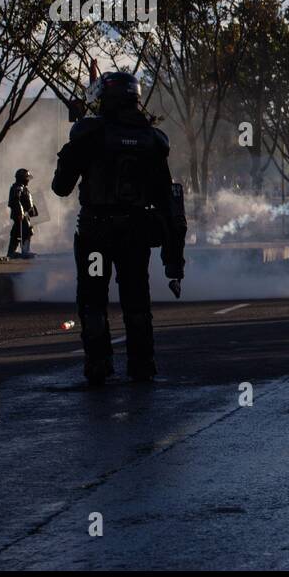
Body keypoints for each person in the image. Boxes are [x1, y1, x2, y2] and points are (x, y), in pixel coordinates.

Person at [51, 71, 186, 385]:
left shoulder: (90, 133)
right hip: (135, 232)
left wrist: (71, 152)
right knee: (136, 298)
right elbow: (168, 199)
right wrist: (173, 258)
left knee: (93, 298)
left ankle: (98, 364)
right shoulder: (152, 140)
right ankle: (142, 364)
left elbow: (61, 187)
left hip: (95, 232)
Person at [7, 168, 40, 259]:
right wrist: (20, 212)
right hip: (21, 215)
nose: (28, 180)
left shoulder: (23, 188)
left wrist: (33, 211)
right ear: (22, 178)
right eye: (27, 178)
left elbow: (27, 202)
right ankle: (25, 251)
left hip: (24, 215)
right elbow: (15, 200)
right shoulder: (18, 188)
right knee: (27, 231)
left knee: (16, 232)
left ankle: (12, 252)